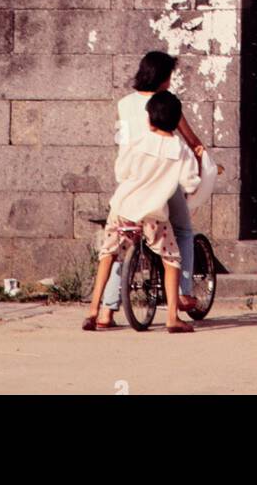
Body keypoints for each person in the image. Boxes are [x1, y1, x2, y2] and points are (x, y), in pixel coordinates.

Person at [96, 51, 207, 327]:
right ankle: (182, 293)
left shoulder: (124, 104)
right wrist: (203, 156)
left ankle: (107, 311)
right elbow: (190, 140)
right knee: (182, 230)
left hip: (131, 181)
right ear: (162, 78)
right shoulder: (166, 104)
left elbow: (124, 141)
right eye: (170, 76)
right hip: (161, 184)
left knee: (120, 246)